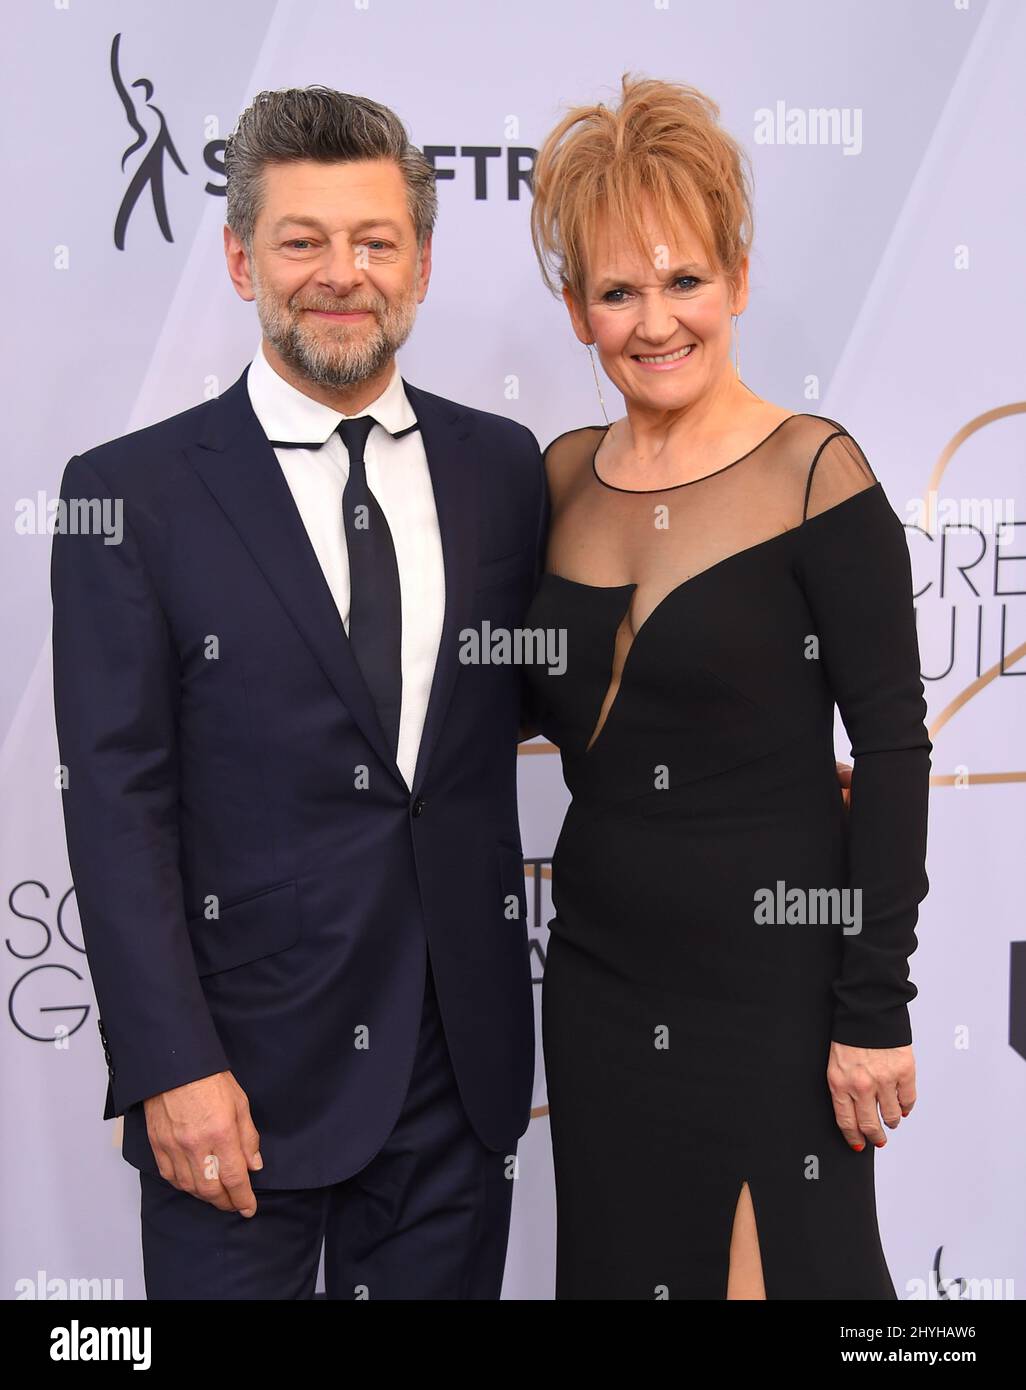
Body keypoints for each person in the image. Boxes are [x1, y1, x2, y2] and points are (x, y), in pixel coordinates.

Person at [50, 86, 546, 1300]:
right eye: (302, 241)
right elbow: (117, 807)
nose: (342, 274)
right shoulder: (133, 494)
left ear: (420, 265)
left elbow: (555, 703)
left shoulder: (505, 468)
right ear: (238, 259)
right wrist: (169, 1067)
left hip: (454, 1075)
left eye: (375, 242)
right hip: (236, 1087)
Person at [521, 74, 932, 1299]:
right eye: (619, 291)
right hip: (598, 984)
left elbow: (898, 753)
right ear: (575, 308)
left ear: (738, 280)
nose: (657, 321)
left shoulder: (818, 475)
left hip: (774, 992)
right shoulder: (559, 480)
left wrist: (873, 1006)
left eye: (685, 280)